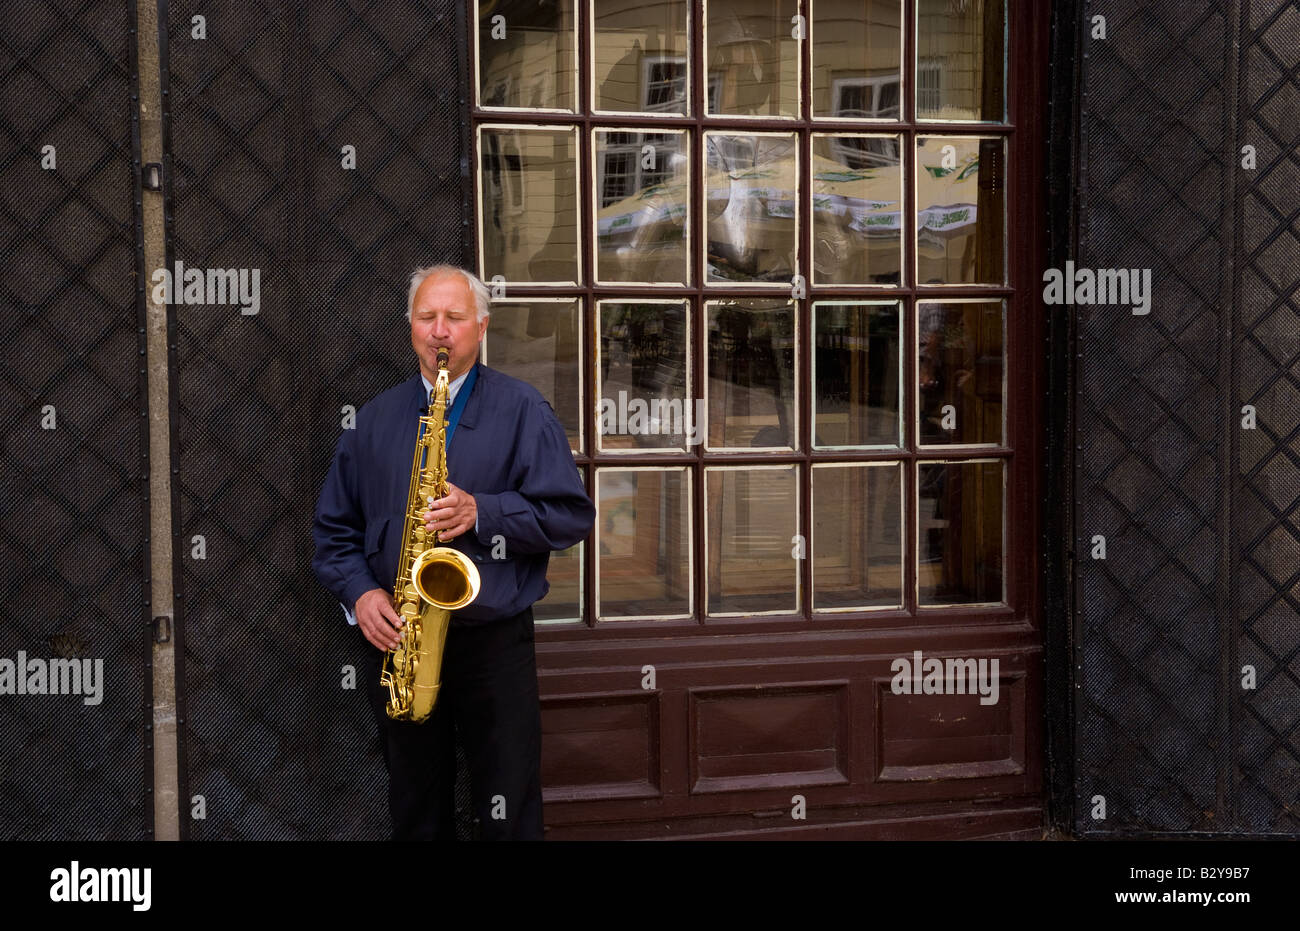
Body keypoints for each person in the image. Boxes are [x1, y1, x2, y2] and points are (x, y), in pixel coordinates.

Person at [311, 265, 594, 840]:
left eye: (455, 318)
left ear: (481, 326)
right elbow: (333, 532)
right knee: (414, 805)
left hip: (494, 642)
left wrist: (482, 512)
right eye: (427, 317)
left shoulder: (523, 410)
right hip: (401, 639)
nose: (440, 331)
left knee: (508, 804)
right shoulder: (373, 421)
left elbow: (570, 516)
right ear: (410, 327)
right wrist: (361, 594)